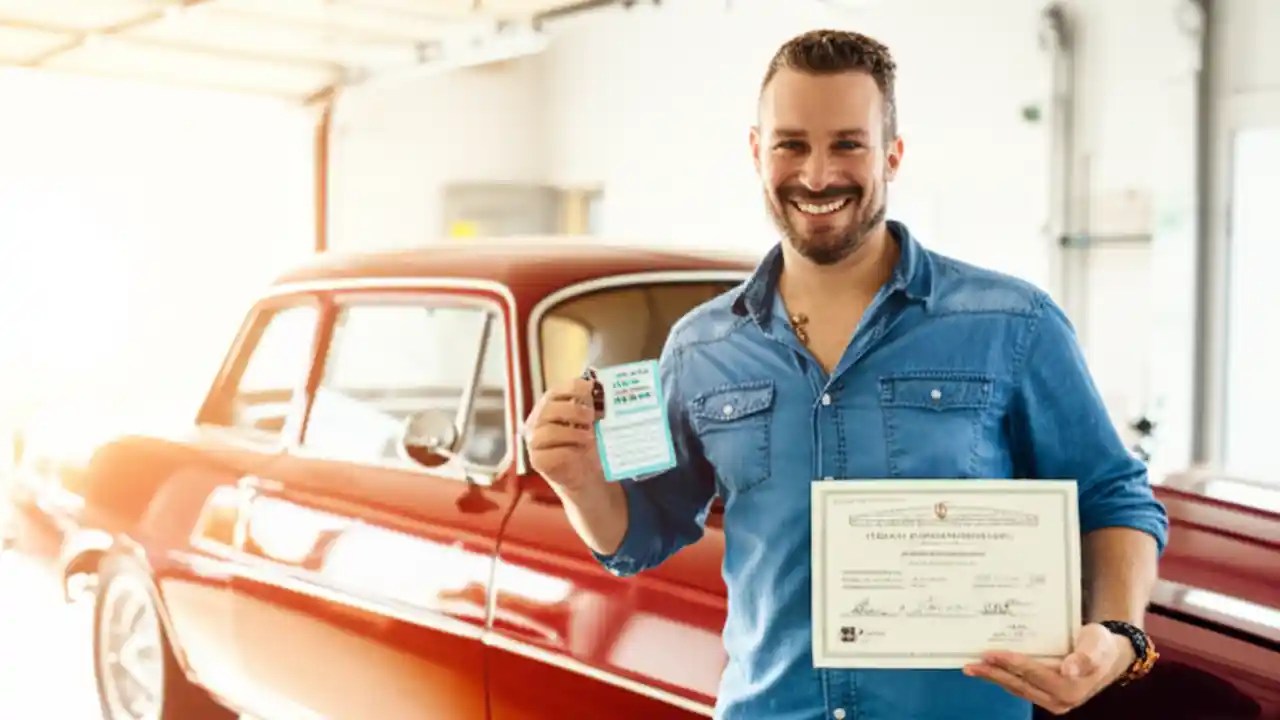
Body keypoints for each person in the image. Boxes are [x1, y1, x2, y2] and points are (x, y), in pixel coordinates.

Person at [525, 28, 1168, 720]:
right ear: (756, 152)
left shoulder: (1013, 324)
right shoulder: (699, 348)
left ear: (892, 154)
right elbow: (645, 535)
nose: (818, 174)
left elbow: (1114, 496)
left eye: (848, 144)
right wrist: (579, 483)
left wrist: (1120, 634)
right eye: (792, 144)